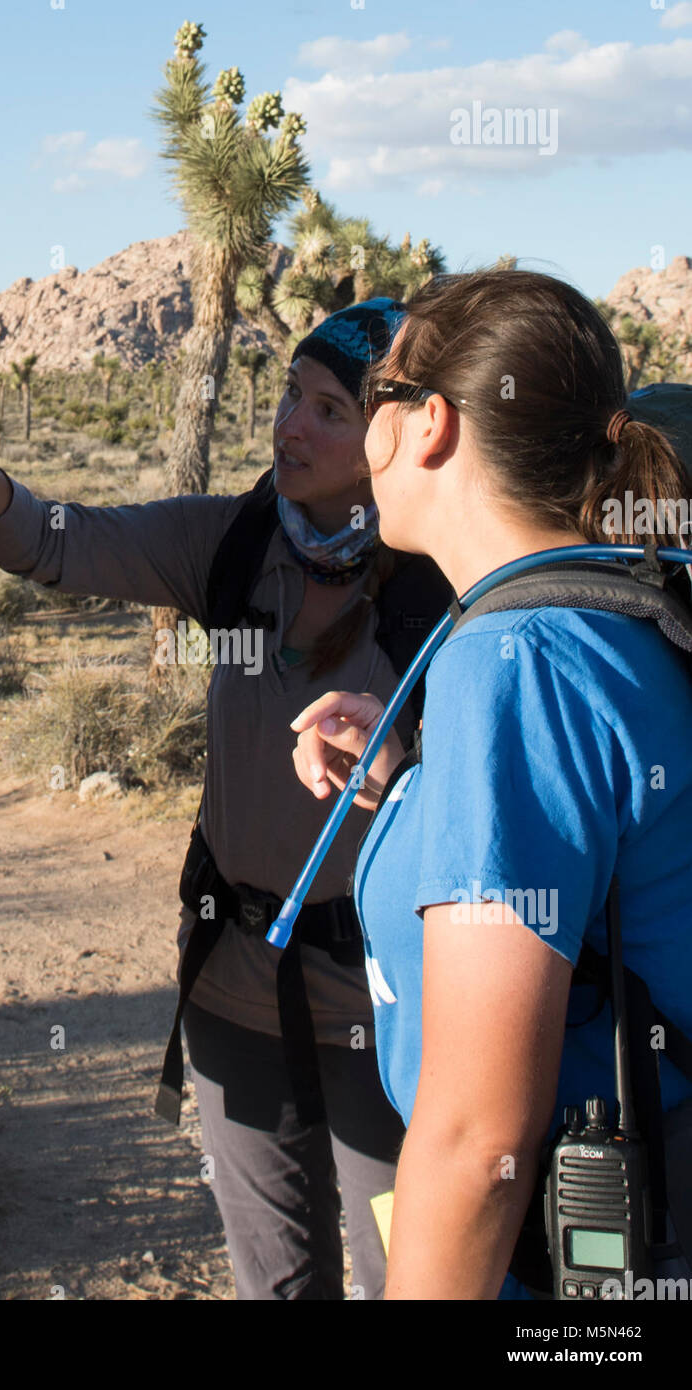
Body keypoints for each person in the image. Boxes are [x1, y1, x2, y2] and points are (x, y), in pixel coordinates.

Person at [0, 300, 450, 1300]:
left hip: (390, 1022)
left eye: (330, 409)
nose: (290, 426)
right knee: (278, 1279)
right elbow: (46, 542)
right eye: (291, 395)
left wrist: (403, 775)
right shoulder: (235, 540)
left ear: (392, 432)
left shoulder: (442, 590)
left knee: (413, 1278)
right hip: (233, 995)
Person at [290, 269, 692, 1299]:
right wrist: (428, 783)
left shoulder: (514, 661)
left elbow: (476, 1143)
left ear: (428, 424)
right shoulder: (605, 611)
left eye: (375, 393)